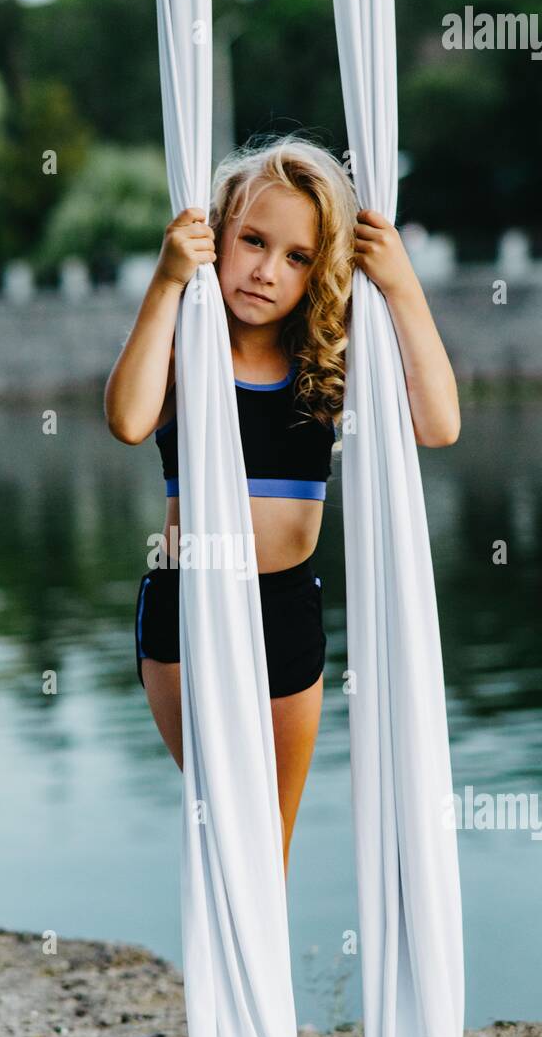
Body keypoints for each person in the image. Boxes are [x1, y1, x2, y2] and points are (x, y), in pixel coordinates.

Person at [104, 135, 460, 876]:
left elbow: (438, 424)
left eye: (296, 257)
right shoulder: (191, 350)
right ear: (218, 237)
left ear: (319, 270)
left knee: (270, 842)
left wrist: (400, 287)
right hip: (187, 604)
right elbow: (129, 419)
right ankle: (215, 988)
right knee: (223, 825)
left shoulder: (326, 362)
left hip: (284, 611)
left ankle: (263, 995)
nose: (267, 271)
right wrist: (166, 283)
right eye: (253, 242)